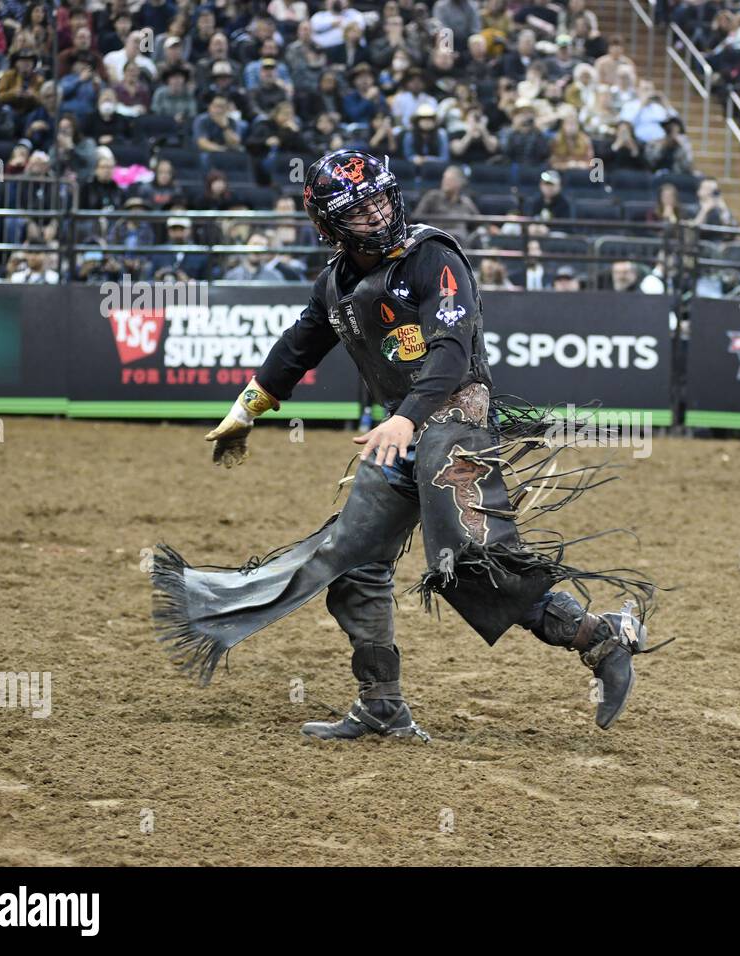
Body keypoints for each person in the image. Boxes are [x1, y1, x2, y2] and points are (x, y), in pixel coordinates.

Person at [152, 150, 664, 740]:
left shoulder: (433, 257)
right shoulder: (336, 284)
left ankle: (600, 637)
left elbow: (451, 350)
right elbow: (297, 348)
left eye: (381, 198)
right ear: (330, 225)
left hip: (454, 431)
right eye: (359, 209)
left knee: (472, 567)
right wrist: (245, 411)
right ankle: (382, 707)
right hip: (401, 439)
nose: (377, 211)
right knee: (351, 565)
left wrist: (408, 418)